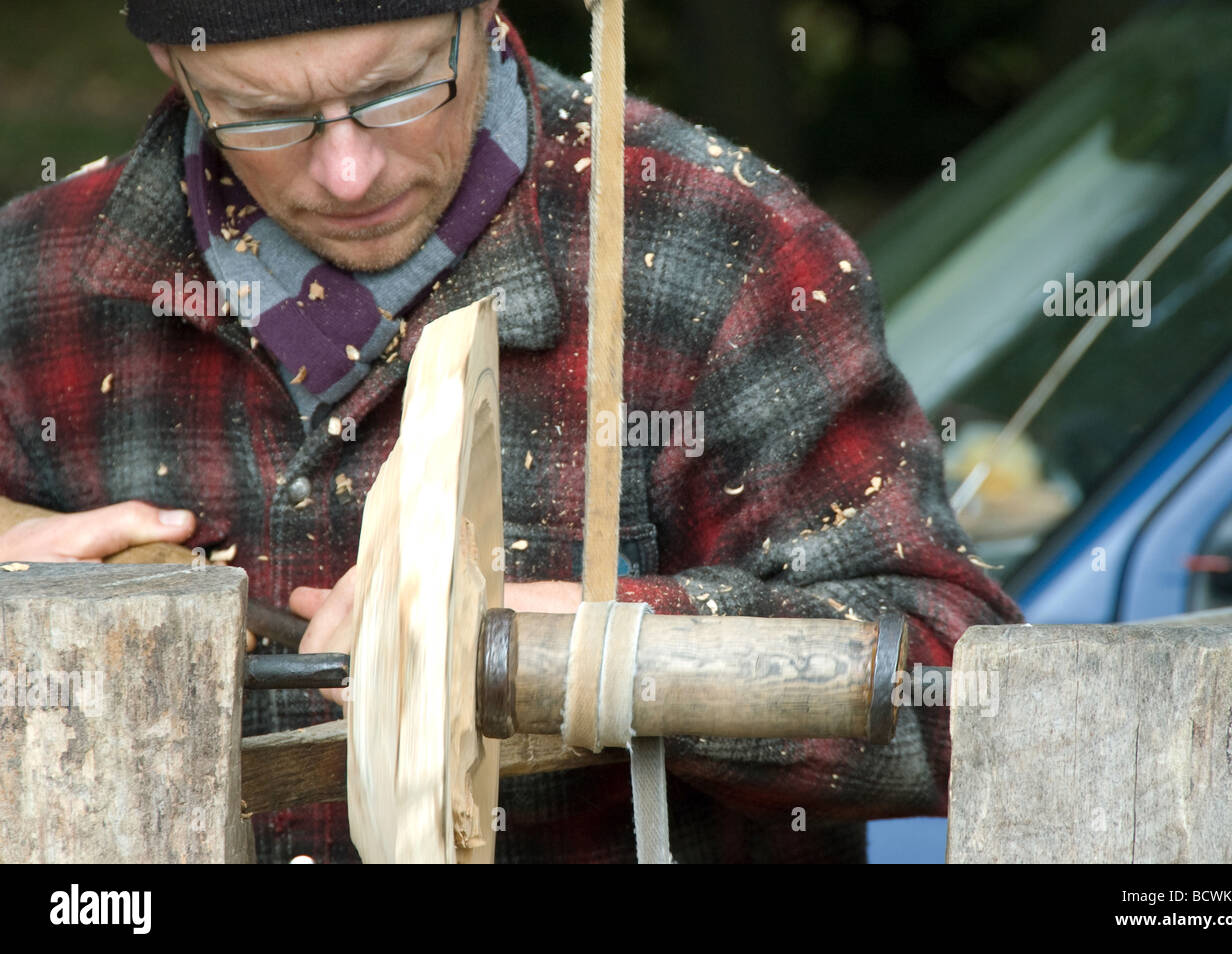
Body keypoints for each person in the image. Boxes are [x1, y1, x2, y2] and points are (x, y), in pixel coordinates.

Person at [0, 0, 1023, 863]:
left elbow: (954, 692)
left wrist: (555, 645)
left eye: (400, 90)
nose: (349, 170)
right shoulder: (29, 276)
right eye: (265, 117)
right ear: (173, 64)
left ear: (482, 14)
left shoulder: (723, 248)